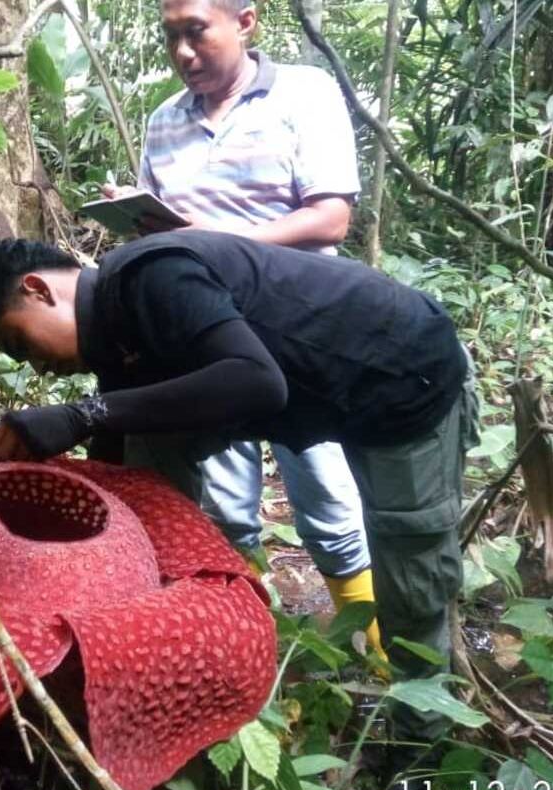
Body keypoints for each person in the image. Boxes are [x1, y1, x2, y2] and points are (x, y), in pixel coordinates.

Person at [0, 231, 476, 787]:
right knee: (138, 485)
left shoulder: (152, 277)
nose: (34, 367)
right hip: (320, 393)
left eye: (18, 344)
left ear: (37, 290)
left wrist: (81, 414)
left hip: (402, 377)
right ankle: (168, 664)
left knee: (411, 575)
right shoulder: (116, 337)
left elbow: (257, 382)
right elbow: (117, 465)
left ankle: (420, 747)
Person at [103, 0, 378, 642]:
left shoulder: (304, 94)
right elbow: (166, 226)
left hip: (298, 324)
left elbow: (331, 217)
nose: (183, 54)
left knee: (324, 488)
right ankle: (251, 638)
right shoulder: (164, 120)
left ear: (245, 23)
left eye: (196, 32)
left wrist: (220, 239)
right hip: (203, 330)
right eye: (171, 37)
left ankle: (373, 642)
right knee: (226, 498)